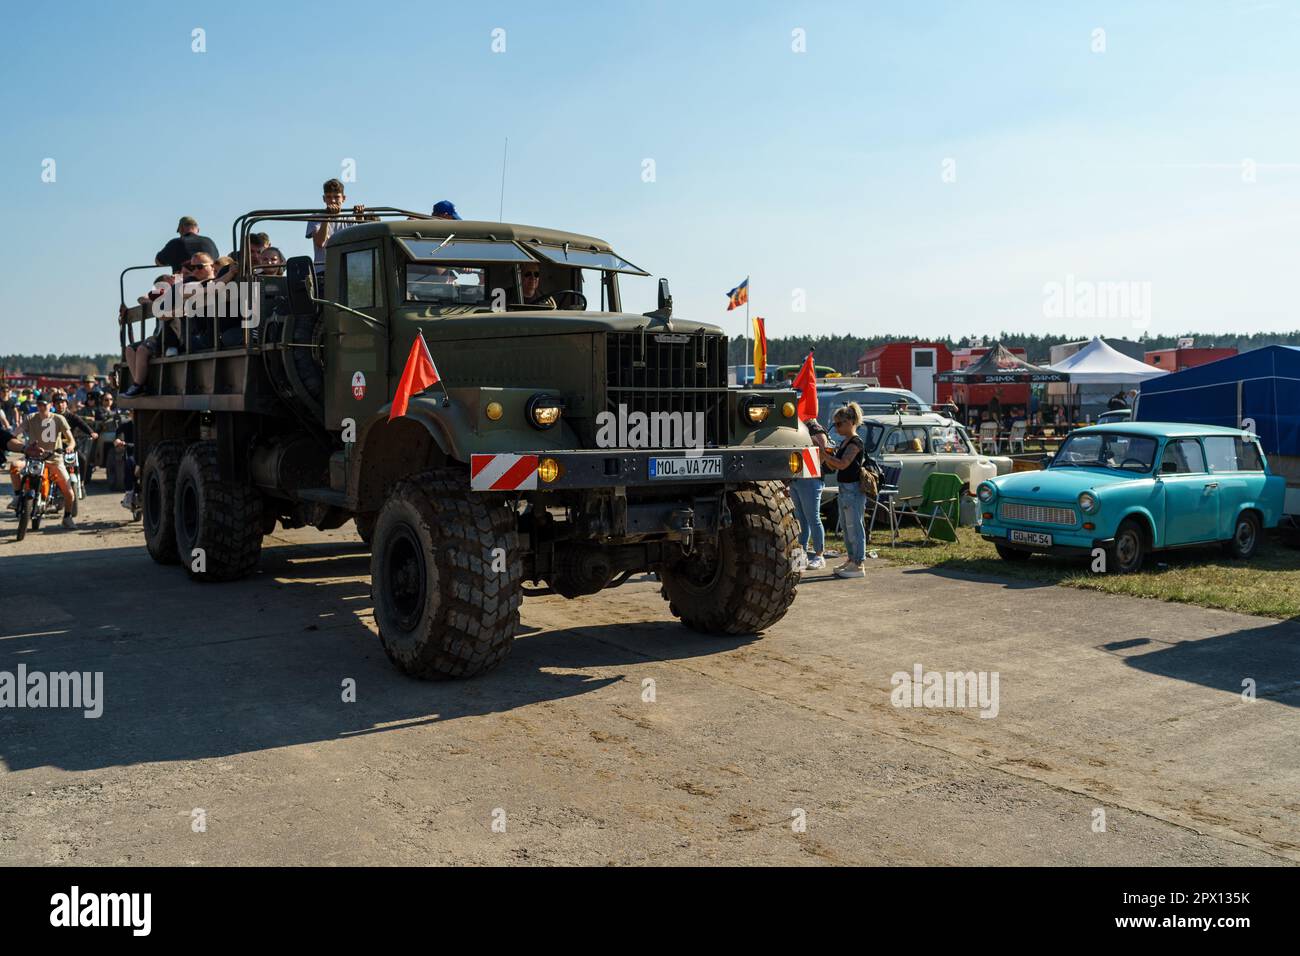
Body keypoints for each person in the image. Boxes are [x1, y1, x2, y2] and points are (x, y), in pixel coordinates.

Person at [11, 396, 77, 528]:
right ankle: (18, 496)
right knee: (14, 466)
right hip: (32, 457)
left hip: (54, 459)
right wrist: (15, 441)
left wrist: (70, 447)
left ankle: (67, 517)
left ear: (50, 405)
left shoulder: (59, 419)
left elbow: (71, 440)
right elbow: (16, 433)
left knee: (69, 493)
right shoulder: (30, 418)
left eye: (44, 405)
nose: (42, 407)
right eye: (39, 404)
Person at [820, 402, 867, 579]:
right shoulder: (845, 441)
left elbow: (843, 464)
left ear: (851, 422)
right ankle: (852, 559)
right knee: (847, 528)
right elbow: (836, 465)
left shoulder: (855, 442)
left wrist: (826, 456)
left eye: (840, 424)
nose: (837, 428)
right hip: (845, 488)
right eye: (835, 424)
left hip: (853, 488)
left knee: (855, 526)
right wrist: (828, 456)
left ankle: (859, 562)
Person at [306, 179, 369, 276]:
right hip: (323, 270)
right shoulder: (316, 217)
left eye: (336, 197)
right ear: (324, 199)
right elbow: (320, 242)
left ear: (343, 198)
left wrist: (360, 218)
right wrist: (327, 217)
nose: (333, 200)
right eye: (329, 197)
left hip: (346, 269)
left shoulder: (350, 219)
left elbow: (360, 244)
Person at [791, 417, 831, 570]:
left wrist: (810, 440)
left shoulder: (815, 428)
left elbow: (822, 453)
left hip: (810, 478)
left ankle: (819, 555)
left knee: (812, 517)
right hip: (797, 478)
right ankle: (802, 554)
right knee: (801, 519)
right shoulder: (798, 425)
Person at [156, 216, 220, 273]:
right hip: (210, 283)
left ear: (181, 229)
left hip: (181, 283)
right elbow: (217, 260)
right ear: (198, 230)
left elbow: (158, 261)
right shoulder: (209, 241)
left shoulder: (175, 243)